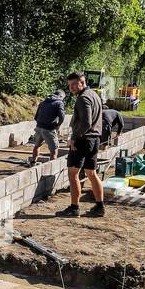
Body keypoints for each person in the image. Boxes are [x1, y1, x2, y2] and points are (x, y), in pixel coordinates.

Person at [58, 71, 105, 217]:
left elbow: (86, 122)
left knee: (73, 174)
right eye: (69, 85)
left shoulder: (83, 98)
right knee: (91, 173)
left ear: (82, 82)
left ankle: (74, 208)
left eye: (73, 84)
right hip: (94, 139)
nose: (71, 88)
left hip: (83, 140)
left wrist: (74, 138)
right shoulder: (94, 95)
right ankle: (99, 207)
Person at [27, 89, 65, 166]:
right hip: (49, 129)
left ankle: (33, 163)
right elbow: (62, 117)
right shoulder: (59, 103)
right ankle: (51, 168)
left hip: (39, 127)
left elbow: (36, 117)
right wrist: (57, 125)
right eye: (63, 98)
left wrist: (41, 124)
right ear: (61, 96)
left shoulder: (43, 102)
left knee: (37, 145)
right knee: (54, 150)